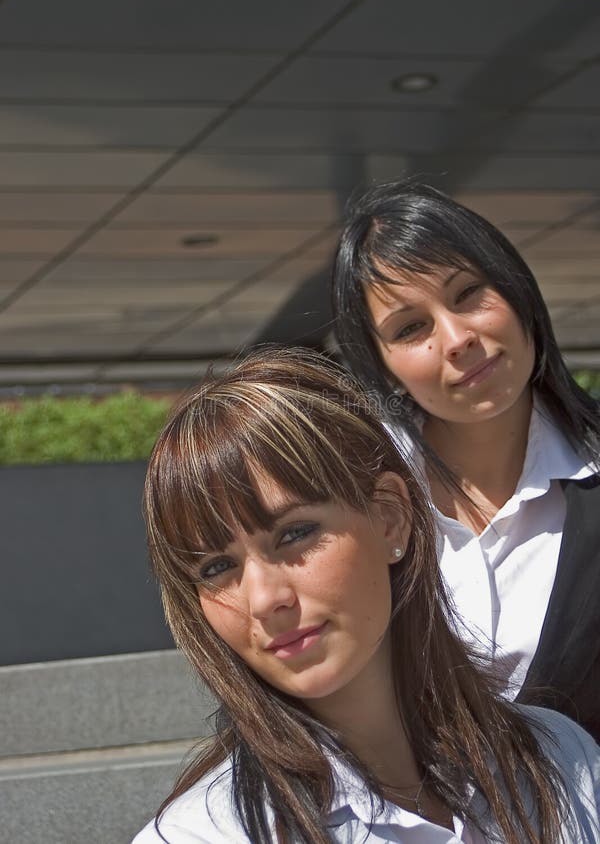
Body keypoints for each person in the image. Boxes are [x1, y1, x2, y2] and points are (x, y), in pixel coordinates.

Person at [133, 348, 600, 844]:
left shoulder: (561, 761)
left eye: (294, 534)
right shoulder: (202, 835)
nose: (265, 598)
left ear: (389, 517)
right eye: (217, 567)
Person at [332, 179, 600, 741]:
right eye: (410, 328)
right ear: (381, 365)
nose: (456, 339)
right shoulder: (347, 499)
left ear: (517, 289)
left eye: (468, 293)